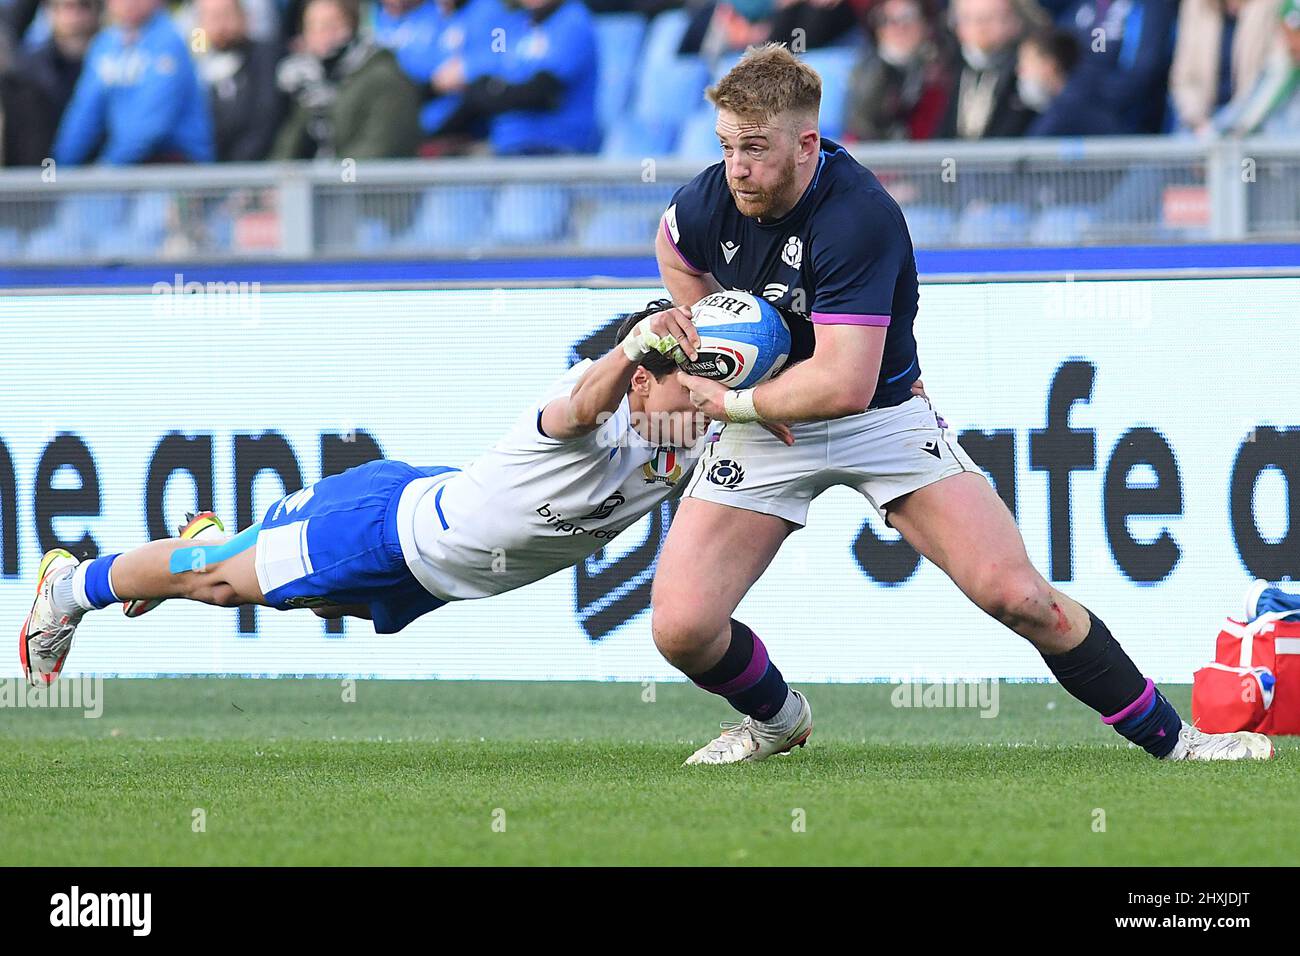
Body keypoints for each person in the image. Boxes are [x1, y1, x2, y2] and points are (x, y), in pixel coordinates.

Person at [650, 44, 1274, 764]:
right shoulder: (709, 198)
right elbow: (672, 249)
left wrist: (736, 402)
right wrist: (717, 335)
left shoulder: (858, 216)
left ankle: (1179, 743)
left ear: (807, 143)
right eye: (727, 147)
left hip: (875, 419)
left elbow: (844, 386)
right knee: (682, 627)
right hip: (767, 420)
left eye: (754, 148)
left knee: (1015, 594)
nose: (737, 167)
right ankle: (777, 718)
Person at [19, 302, 788, 686]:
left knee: (296, 598)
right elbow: (586, 402)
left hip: (434, 564)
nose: (704, 409)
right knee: (218, 582)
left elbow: (777, 399)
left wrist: (774, 405)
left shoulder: (692, 432)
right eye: (691, 391)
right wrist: (629, 345)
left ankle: (214, 543)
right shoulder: (590, 412)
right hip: (389, 531)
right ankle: (70, 587)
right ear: (643, 375)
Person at [51, 0, 214, 165]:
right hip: (126, 165)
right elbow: (82, 115)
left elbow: (150, 127)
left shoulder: (172, 40)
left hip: (176, 162)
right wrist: (59, 168)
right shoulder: (104, 44)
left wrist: (106, 170)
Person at [433, 0, 599, 155]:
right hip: (506, 147)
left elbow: (540, 93)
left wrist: (495, 92)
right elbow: (481, 82)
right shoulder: (513, 26)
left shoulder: (572, 20)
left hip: (556, 148)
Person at [271, 0, 421, 159]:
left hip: (362, 181)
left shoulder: (384, 77)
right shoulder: (310, 83)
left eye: (329, 25)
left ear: (352, 25)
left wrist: (332, 179)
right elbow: (288, 145)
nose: (320, 35)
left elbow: (379, 150)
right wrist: (279, 178)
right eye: (312, 27)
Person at [3, 0, 100, 166]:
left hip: (98, 170)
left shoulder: (107, 63)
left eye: (83, 7)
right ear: (49, 13)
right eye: (66, 7)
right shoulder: (27, 72)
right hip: (42, 171)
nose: (74, 17)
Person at [843, 0, 951, 141]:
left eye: (908, 18)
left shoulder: (941, 74)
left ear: (925, 24)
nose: (898, 28)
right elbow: (859, 129)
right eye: (887, 20)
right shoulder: (863, 71)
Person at [1169, 0, 1281, 135]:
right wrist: (1199, 123)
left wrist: (1241, 126)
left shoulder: (1271, 5)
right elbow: (1182, 79)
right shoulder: (1196, 5)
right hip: (1201, 123)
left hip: (1253, 122)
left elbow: (1275, 74)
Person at [193, 0, 285, 161]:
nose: (221, 25)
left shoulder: (267, 57)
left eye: (227, 15)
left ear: (244, 17)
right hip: (211, 171)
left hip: (259, 168)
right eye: (213, 17)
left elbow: (265, 119)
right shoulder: (198, 67)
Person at [936, 0, 1034, 139]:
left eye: (989, 18)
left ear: (1015, 22)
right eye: (968, 18)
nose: (980, 28)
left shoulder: (1027, 72)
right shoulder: (943, 69)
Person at [1017, 27, 1119, 134]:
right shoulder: (1069, 102)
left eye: (1026, 62)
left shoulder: (1070, 109)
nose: (1019, 71)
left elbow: (1034, 146)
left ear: (1050, 65)